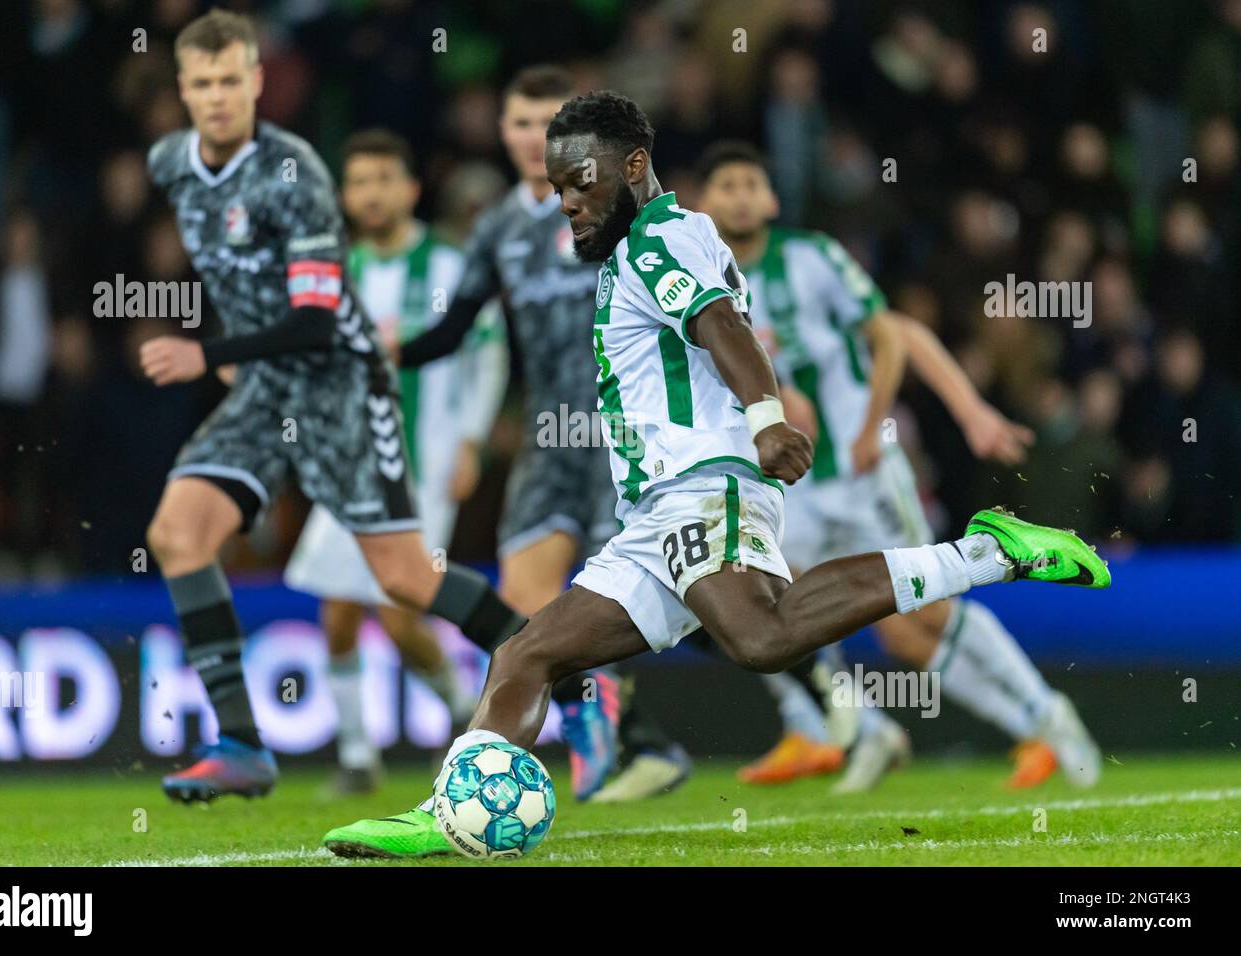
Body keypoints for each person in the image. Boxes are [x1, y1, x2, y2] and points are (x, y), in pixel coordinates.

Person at [320, 91, 1110, 858]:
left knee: (761, 636)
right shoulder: (640, 245)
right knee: (528, 653)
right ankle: (447, 811)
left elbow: (722, 323)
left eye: (582, 182)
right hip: (654, 512)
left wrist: (766, 419)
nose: (567, 202)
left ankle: (991, 553)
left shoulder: (662, 236)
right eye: (558, 188)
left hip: (708, 481)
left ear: (633, 165)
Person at [138, 10, 531, 802]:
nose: (217, 97)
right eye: (201, 83)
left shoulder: (296, 174)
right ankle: (244, 745)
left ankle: (542, 655)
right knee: (178, 535)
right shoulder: (171, 163)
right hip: (264, 386)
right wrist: (238, 349)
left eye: (230, 81)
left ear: (256, 82)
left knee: (405, 580)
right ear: (182, 89)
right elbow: (242, 272)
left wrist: (206, 353)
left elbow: (316, 317)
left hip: (340, 382)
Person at [696, 141, 1101, 792]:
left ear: (771, 199)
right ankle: (840, 726)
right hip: (787, 484)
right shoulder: (703, 285)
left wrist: (881, 422)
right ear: (703, 203)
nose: (740, 196)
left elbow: (895, 333)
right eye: (726, 184)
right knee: (767, 601)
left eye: (752, 183)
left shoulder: (813, 258)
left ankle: (1047, 718)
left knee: (922, 622)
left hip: (861, 475)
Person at [394, 65, 689, 802]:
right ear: (501, 132)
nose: (533, 139)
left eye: (547, 125)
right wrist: (382, 352)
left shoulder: (621, 207)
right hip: (546, 438)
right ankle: (615, 732)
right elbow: (456, 328)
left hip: (626, 434)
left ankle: (805, 689)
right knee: (528, 608)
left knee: (638, 599)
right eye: (520, 124)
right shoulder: (496, 227)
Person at [282, 129, 508, 794]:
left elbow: (487, 352)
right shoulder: (334, 273)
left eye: (384, 178)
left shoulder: (451, 264)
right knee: (338, 613)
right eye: (359, 182)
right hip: (351, 466)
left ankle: (469, 717)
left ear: (411, 189)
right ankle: (357, 758)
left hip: (425, 463)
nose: (371, 193)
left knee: (401, 614)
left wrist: (471, 438)